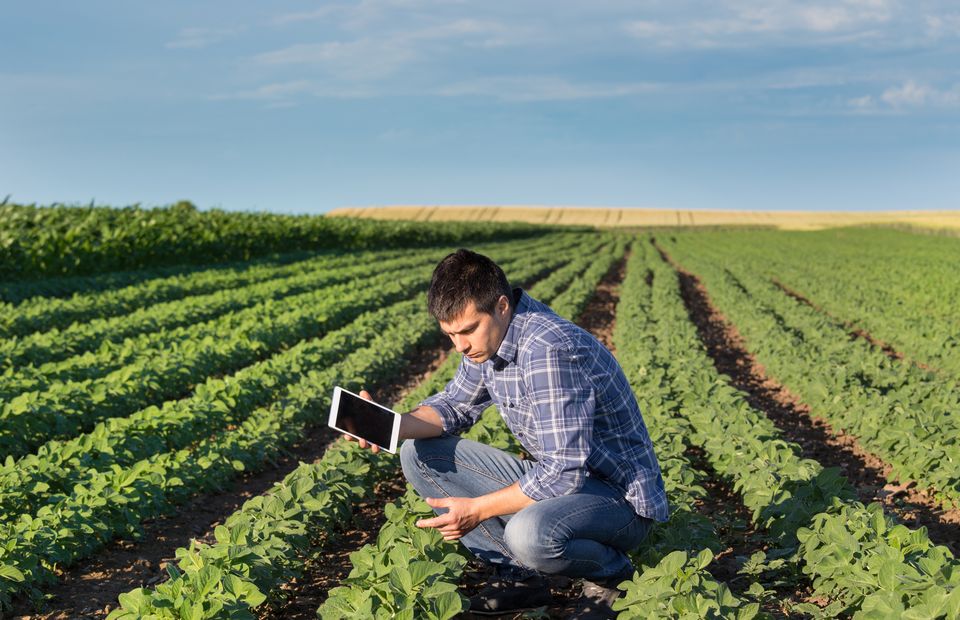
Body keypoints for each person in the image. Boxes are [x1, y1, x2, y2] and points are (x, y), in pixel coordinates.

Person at [345, 248, 668, 619]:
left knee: (528, 534)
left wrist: (477, 510)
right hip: (566, 483)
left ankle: (610, 575)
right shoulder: (490, 340)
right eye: (450, 334)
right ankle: (522, 577)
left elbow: (564, 474)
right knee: (419, 455)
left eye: (468, 330)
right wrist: (388, 423)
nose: (460, 345)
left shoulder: (547, 350)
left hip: (618, 500)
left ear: (501, 306)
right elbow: (454, 405)